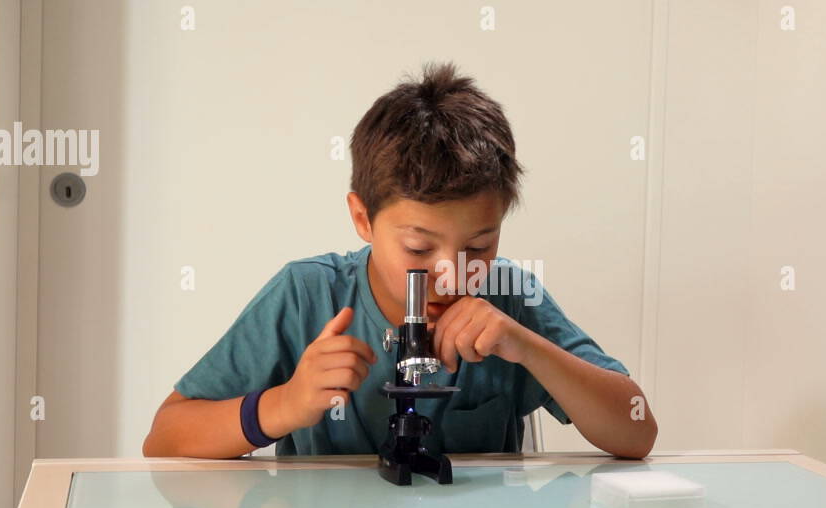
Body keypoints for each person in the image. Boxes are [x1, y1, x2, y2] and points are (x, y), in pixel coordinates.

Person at [143, 61, 657, 459]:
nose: (451, 274)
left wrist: (529, 348)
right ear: (363, 218)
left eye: (479, 245)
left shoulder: (510, 299)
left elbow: (637, 430)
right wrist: (284, 405)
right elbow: (164, 438)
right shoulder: (307, 296)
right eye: (418, 248)